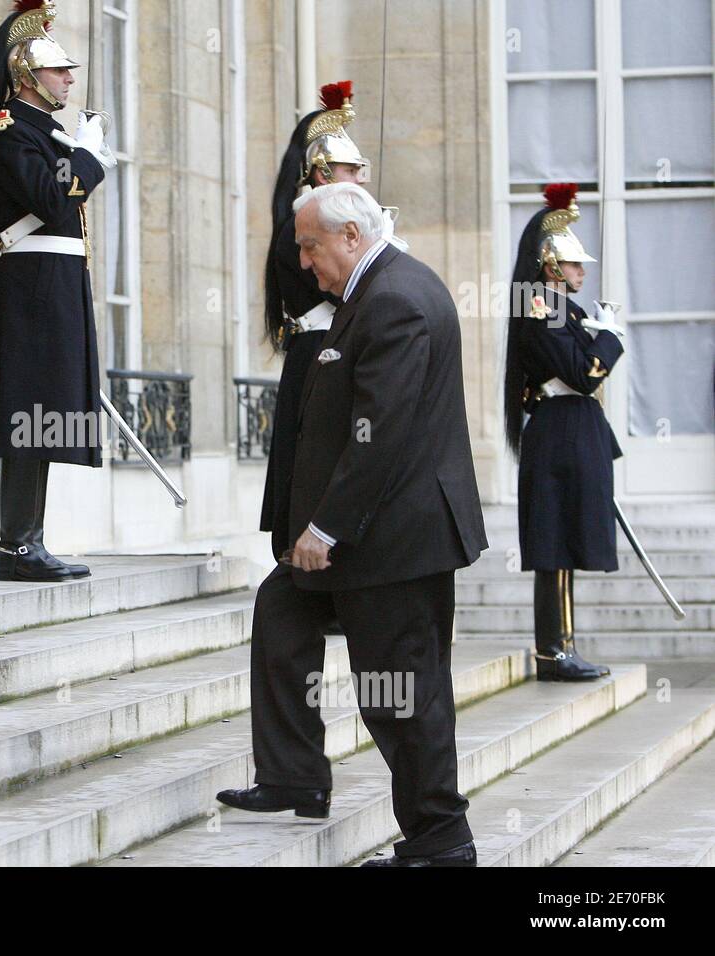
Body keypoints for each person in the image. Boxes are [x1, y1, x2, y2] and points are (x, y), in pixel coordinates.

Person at [237, 183, 489, 867]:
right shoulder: (379, 291)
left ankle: (441, 842)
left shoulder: (395, 300)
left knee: (402, 695)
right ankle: (292, 774)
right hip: (378, 535)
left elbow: (382, 436)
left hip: (392, 542)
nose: (305, 264)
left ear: (351, 236)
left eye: (311, 247)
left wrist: (326, 530)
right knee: (282, 608)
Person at [218, 82, 378, 821]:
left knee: (334, 631)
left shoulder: (378, 261)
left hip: (373, 519)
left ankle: (309, 780)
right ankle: (295, 777)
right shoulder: (316, 241)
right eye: (347, 173)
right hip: (326, 474)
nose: (360, 184)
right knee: (285, 610)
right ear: (319, 179)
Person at [0, 1, 116, 582]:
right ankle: (17, 548)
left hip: (55, 283)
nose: (70, 79)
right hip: (31, 285)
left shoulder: (43, 133)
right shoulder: (8, 132)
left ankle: (32, 540)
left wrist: (78, 152)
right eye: (60, 71)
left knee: (47, 413)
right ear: (28, 77)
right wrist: (88, 156)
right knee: (30, 410)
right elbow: (53, 198)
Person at [504, 183, 624, 681]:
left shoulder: (563, 308)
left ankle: (563, 645)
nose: (582, 271)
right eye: (574, 265)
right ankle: (552, 652)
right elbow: (586, 373)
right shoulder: (540, 304)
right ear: (551, 265)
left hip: (571, 430)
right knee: (554, 545)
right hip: (559, 433)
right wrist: (611, 339)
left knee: (565, 544)